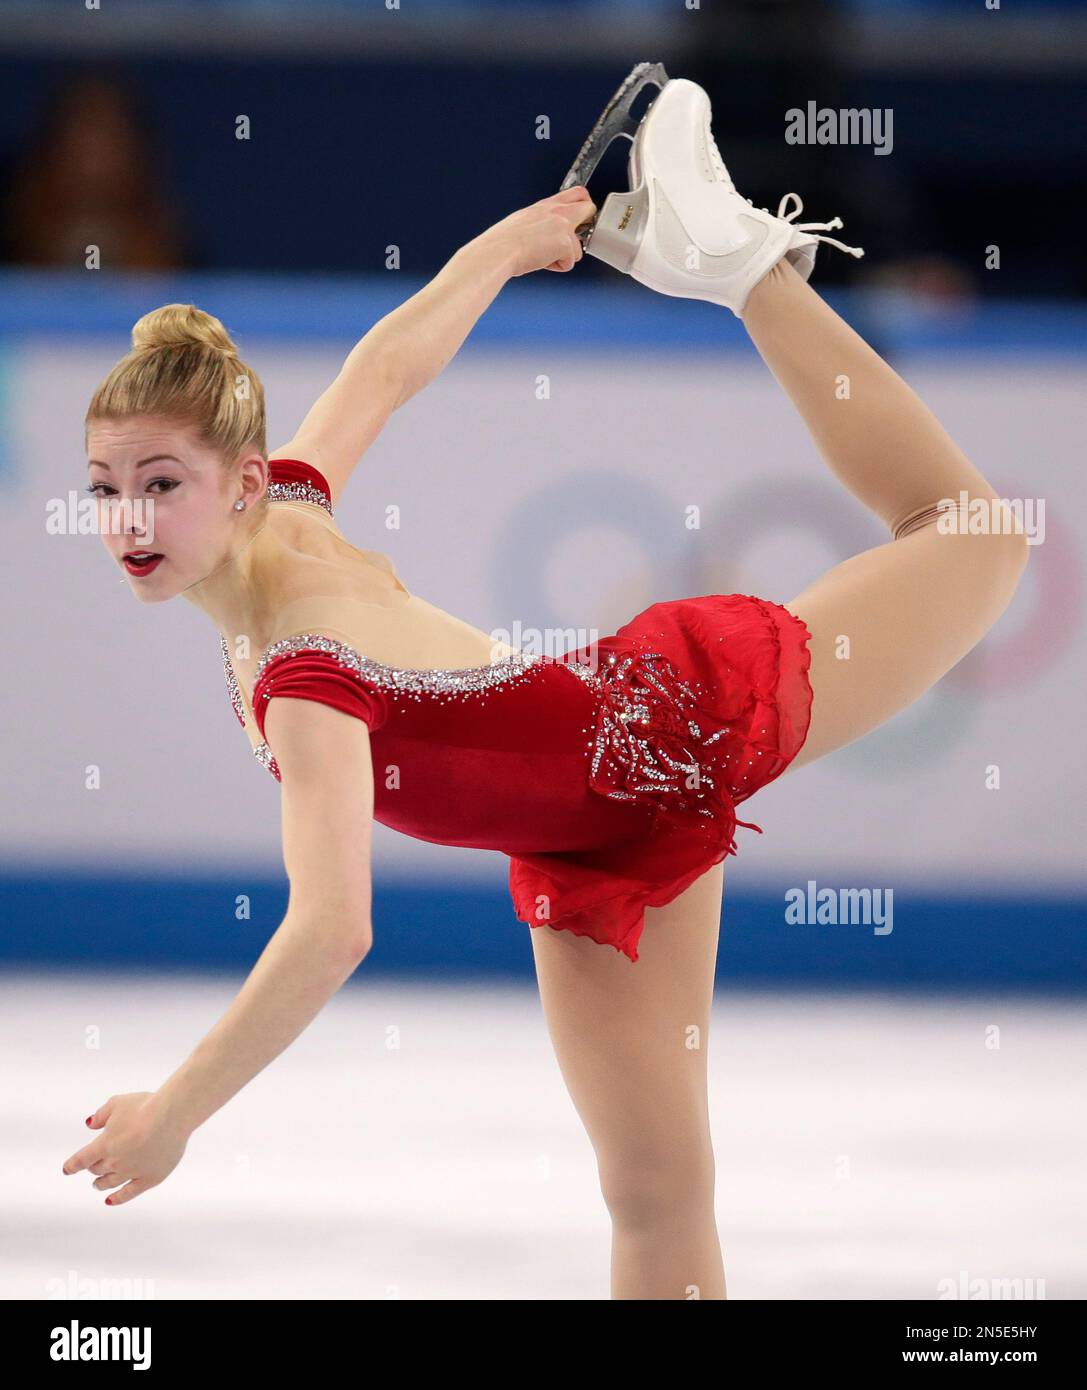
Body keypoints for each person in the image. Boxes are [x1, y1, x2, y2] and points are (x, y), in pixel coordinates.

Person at [63, 91, 1028, 1299]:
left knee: (974, 534)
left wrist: (177, 1109)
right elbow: (388, 363)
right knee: (656, 1197)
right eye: (105, 488)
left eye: (161, 483)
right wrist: (506, 249)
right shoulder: (291, 510)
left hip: (665, 721)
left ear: (242, 480)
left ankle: (746, 272)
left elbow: (330, 929)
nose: (130, 520)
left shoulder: (306, 673)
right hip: (588, 844)